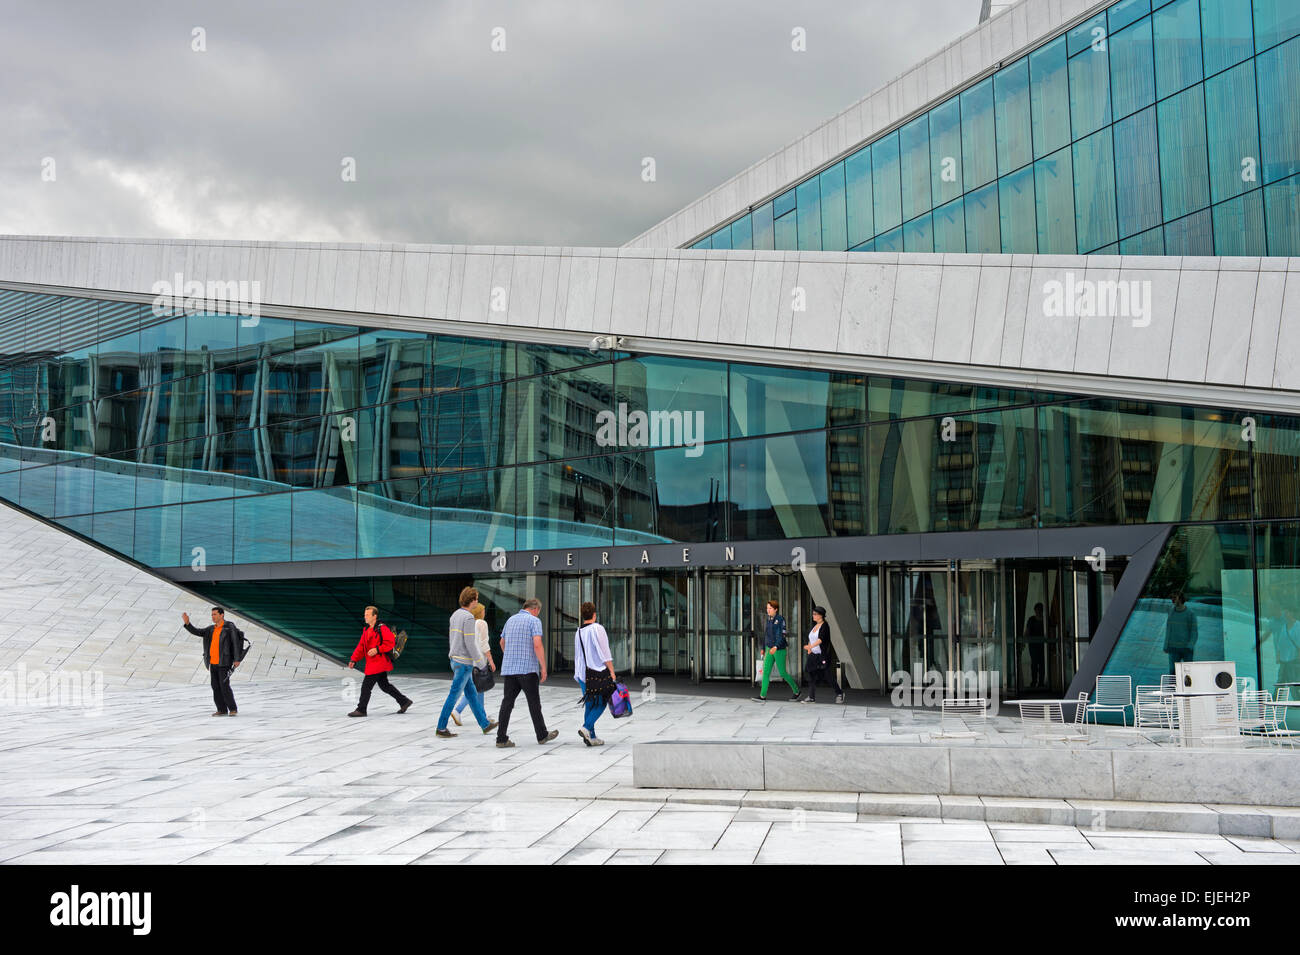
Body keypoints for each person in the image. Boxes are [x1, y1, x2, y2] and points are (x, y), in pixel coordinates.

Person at [495, 597, 558, 748]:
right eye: (538, 612)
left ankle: (501, 738)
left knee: (507, 703)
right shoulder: (534, 621)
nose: (538, 614)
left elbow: (501, 642)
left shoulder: (510, 620)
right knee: (534, 703)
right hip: (527, 669)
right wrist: (543, 667)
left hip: (510, 669)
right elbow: (537, 644)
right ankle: (542, 735)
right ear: (535, 609)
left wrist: (510, 655)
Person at [436, 587, 498, 739]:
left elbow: (454, 639)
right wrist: (480, 662)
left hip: (455, 659)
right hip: (464, 663)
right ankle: (441, 728)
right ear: (472, 600)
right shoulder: (469, 617)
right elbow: (470, 643)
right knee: (453, 695)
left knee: (471, 693)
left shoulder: (455, 615)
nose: (477, 600)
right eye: (476, 598)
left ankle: (485, 724)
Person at [347, 606, 412, 717]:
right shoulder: (366, 630)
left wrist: (377, 649)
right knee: (384, 685)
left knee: (366, 686)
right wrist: (354, 659)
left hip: (378, 663)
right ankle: (404, 701)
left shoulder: (382, 628)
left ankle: (361, 709)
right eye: (365, 615)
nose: (365, 617)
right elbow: (361, 647)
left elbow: (390, 643)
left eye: (367, 615)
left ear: (375, 616)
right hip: (374, 664)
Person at [182, 607, 244, 716]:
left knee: (224, 686)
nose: (213, 616)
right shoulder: (211, 629)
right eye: (212, 614)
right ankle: (221, 709)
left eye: (215, 614)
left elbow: (235, 643)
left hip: (224, 662)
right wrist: (188, 624)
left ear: (222, 615)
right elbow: (198, 632)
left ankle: (233, 708)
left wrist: (237, 659)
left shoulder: (229, 627)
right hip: (213, 663)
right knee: (215, 686)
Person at [574, 601, 617, 746]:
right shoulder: (597, 628)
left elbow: (578, 655)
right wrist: (611, 670)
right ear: (594, 614)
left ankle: (591, 737)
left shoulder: (578, 631)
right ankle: (586, 727)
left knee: (590, 704)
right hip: (597, 672)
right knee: (601, 702)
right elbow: (605, 652)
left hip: (582, 674)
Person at [451, 602, 495, 726]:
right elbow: (484, 644)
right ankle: (457, 710)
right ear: (480, 612)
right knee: (475, 689)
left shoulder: (470, 622)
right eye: (483, 610)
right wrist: (490, 660)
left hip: (469, 660)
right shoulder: (482, 623)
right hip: (479, 660)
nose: (485, 613)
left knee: (479, 689)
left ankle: (483, 717)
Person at [753, 599, 800, 702]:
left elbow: (781, 636)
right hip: (769, 649)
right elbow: (766, 635)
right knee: (765, 672)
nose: (768, 610)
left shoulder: (780, 620)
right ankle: (762, 696)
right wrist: (763, 648)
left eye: (770, 608)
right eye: (767, 608)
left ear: (776, 609)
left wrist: (776, 647)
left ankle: (796, 691)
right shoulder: (769, 620)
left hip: (779, 650)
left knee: (783, 673)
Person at [800, 605, 843, 704]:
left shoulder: (825, 626)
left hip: (822, 655)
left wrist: (810, 647)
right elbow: (811, 638)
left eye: (815, 614)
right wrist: (809, 648)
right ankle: (811, 697)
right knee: (810, 673)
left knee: (828, 675)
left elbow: (820, 640)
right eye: (813, 614)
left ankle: (839, 693)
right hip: (813, 655)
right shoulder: (814, 626)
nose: (813, 616)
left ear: (821, 616)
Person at [1162, 592, 1198, 674]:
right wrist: (1165, 645)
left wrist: (1190, 645)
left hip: (1186, 649)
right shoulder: (1171, 612)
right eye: (1172, 597)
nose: (1173, 599)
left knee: (1188, 672)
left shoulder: (1190, 613)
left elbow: (1194, 631)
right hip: (1173, 648)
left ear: (1181, 599)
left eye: (1175, 597)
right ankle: (1172, 687)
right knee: (1172, 671)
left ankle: (1187, 687)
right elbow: (1168, 629)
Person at [1024, 602, 1046, 690]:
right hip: (1033, 645)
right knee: (1035, 663)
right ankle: (1034, 681)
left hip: (1042, 645)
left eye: (1040, 610)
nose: (1038, 612)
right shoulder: (1032, 620)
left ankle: (1040, 682)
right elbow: (1027, 631)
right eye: (1037, 610)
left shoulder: (1044, 620)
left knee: (1041, 664)